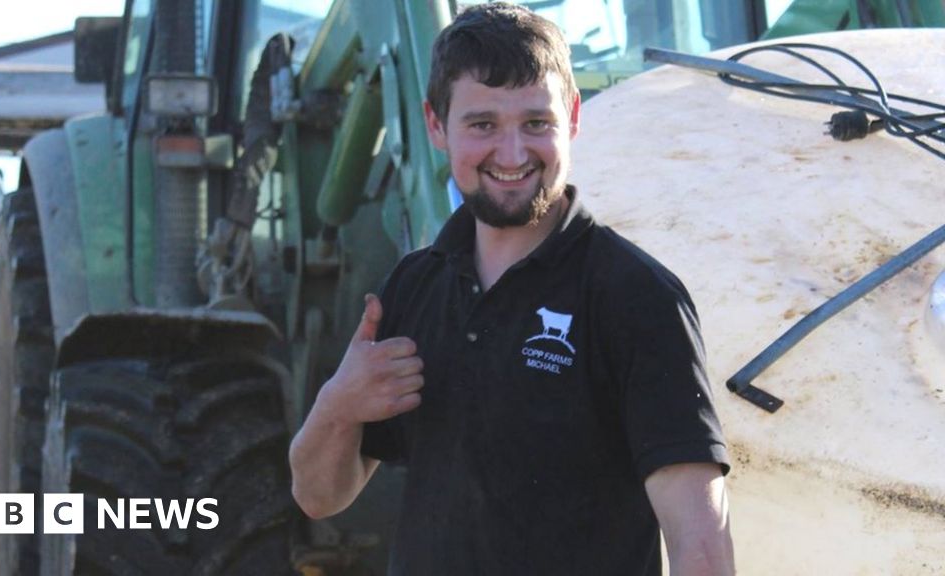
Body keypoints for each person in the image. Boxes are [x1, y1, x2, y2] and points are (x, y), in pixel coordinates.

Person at [289, 3, 734, 574]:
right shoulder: (415, 286)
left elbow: (702, 546)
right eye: (483, 125)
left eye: (536, 123)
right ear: (435, 126)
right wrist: (339, 405)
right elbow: (319, 497)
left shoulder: (636, 298)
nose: (513, 154)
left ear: (573, 117)